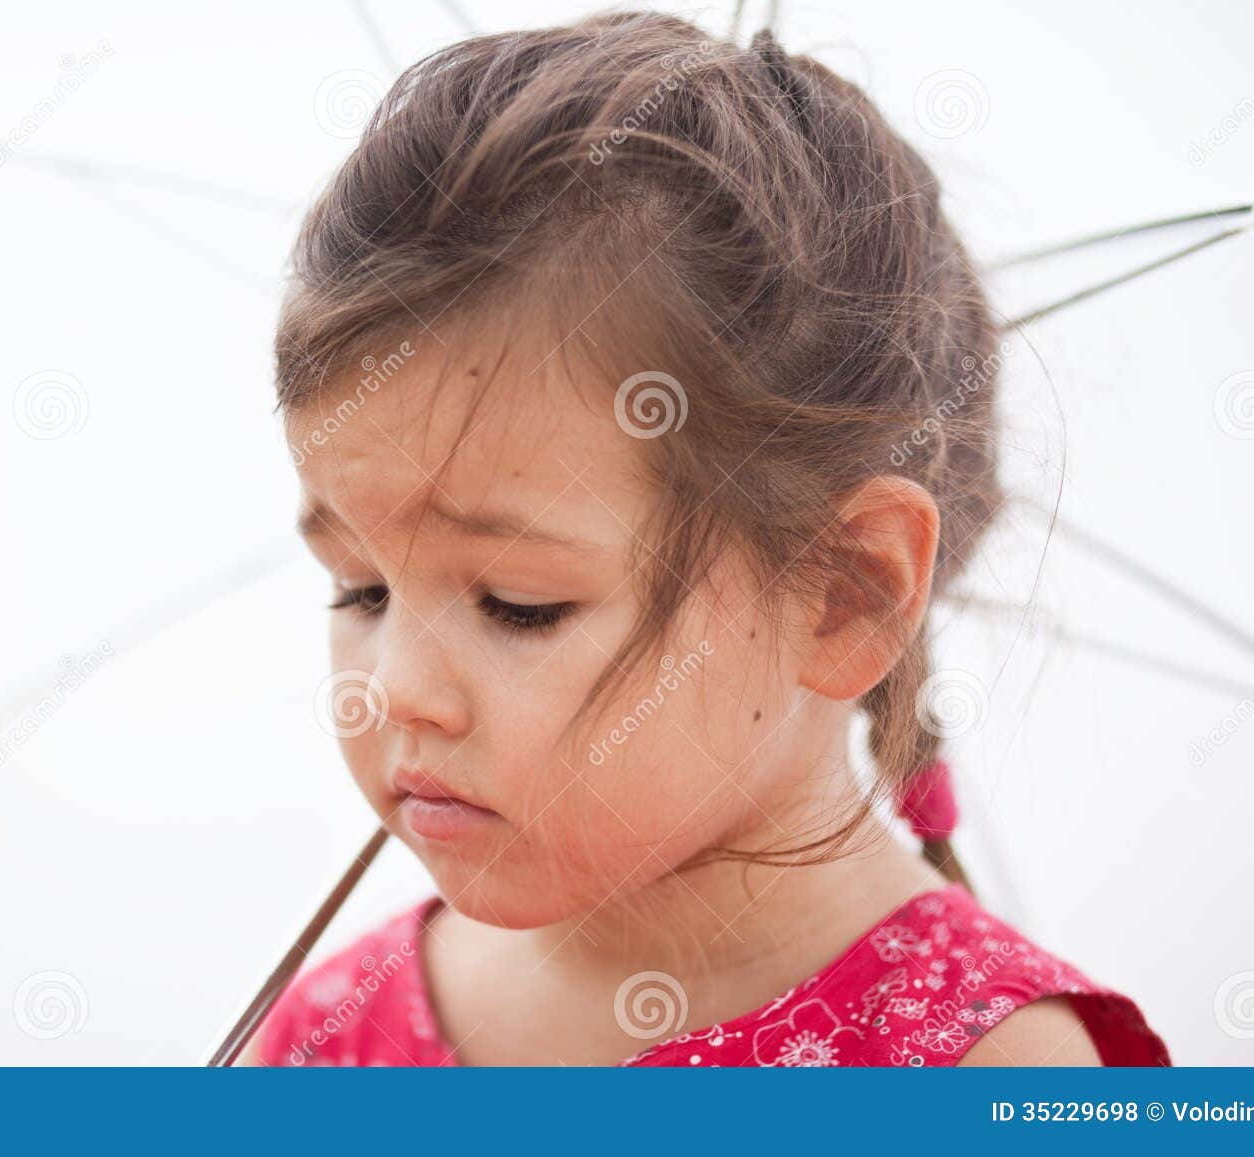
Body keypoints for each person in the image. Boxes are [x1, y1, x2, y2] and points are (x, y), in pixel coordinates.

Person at [243, 10, 1170, 1067]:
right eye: (359, 588)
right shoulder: (328, 1028)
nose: (393, 688)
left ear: (844, 591)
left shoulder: (983, 1072)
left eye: (518, 602)